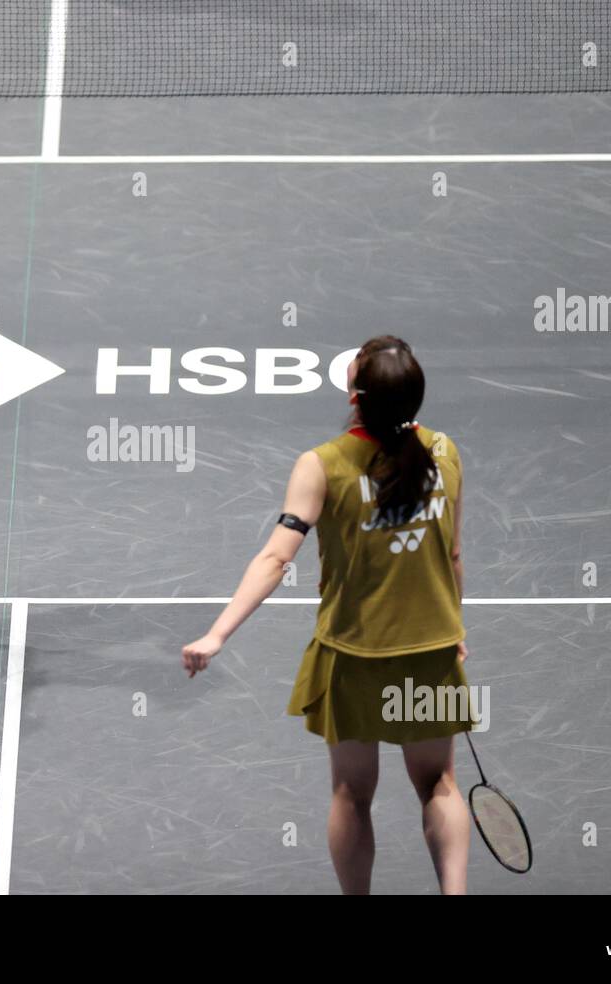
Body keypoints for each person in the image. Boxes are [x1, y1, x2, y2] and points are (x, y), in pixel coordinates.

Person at [181, 336, 474, 894]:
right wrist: (454, 632)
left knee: (351, 793)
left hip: (355, 657)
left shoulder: (324, 465)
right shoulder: (445, 451)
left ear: (353, 395)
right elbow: (453, 555)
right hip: (432, 651)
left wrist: (218, 634)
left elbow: (275, 556)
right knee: (439, 783)